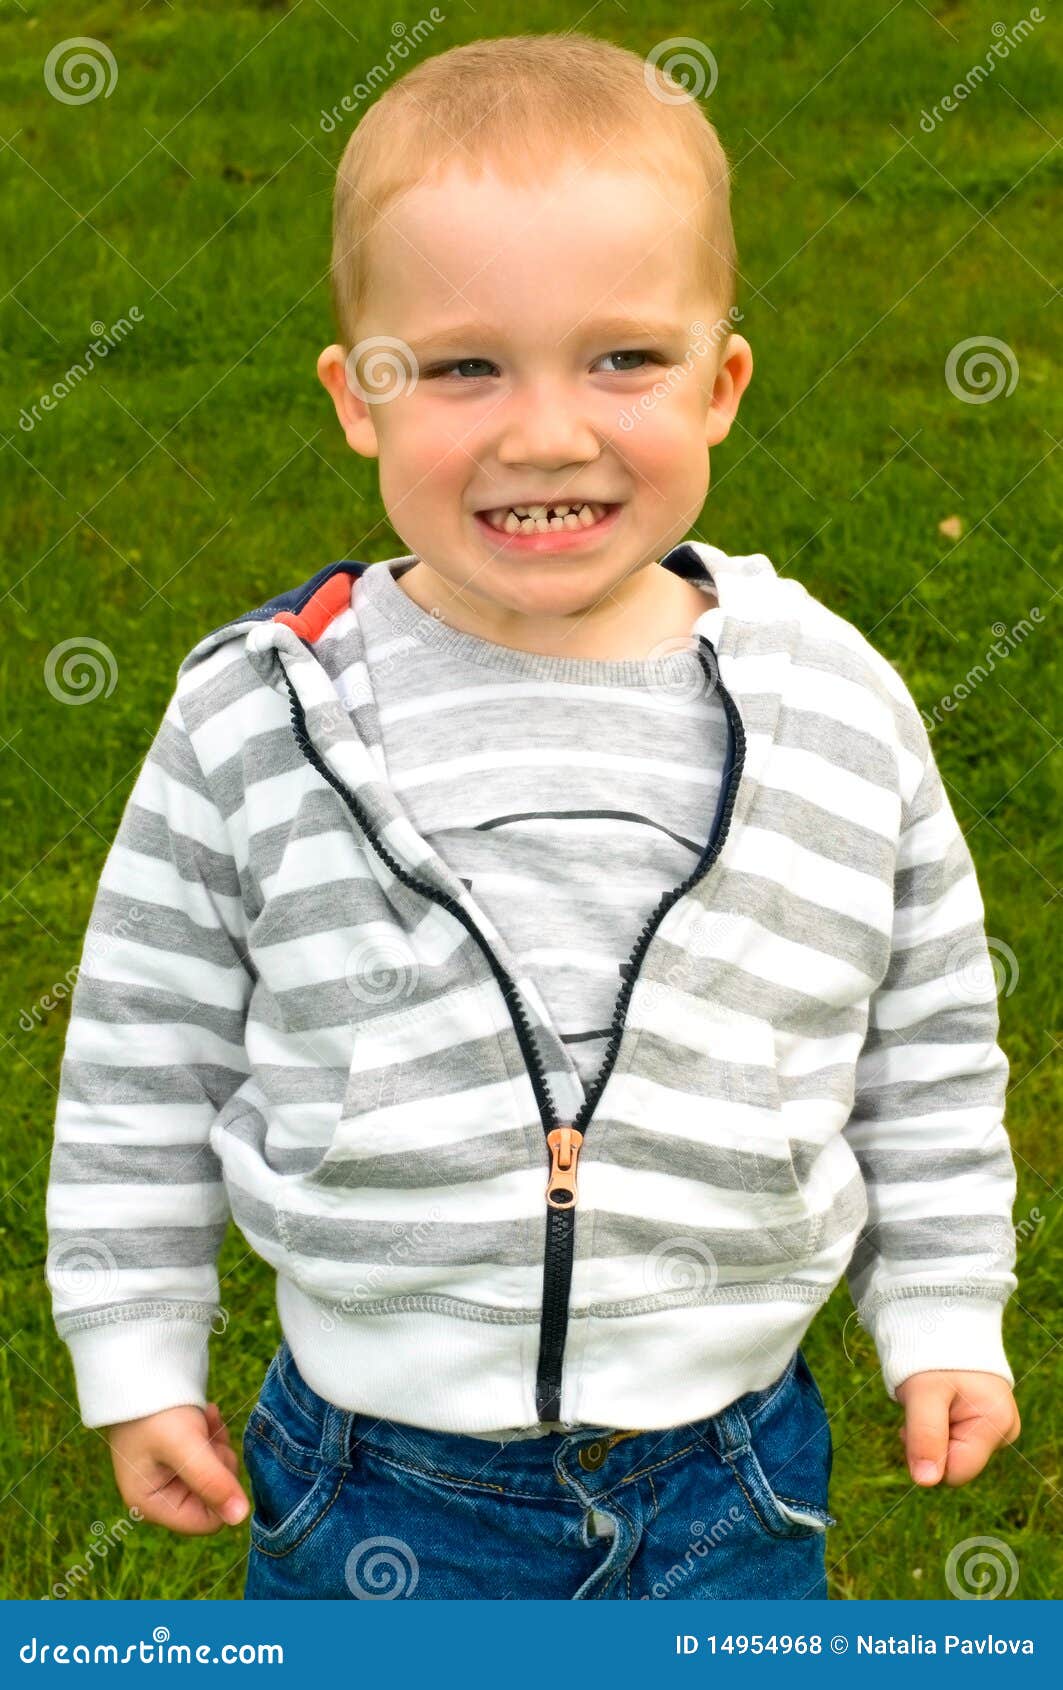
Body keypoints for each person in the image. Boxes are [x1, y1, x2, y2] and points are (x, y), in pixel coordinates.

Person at [44, 32, 1021, 1601]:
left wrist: (947, 1309)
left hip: (736, 1471)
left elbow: (926, 1039)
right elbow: (141, 1057)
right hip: (372, 1471)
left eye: (622, 358)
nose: (546, 431)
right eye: (462, 365)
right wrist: (135, 1344)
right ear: (357, 398)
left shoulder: (830, 704)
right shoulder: (259, 717)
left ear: (725, 384)